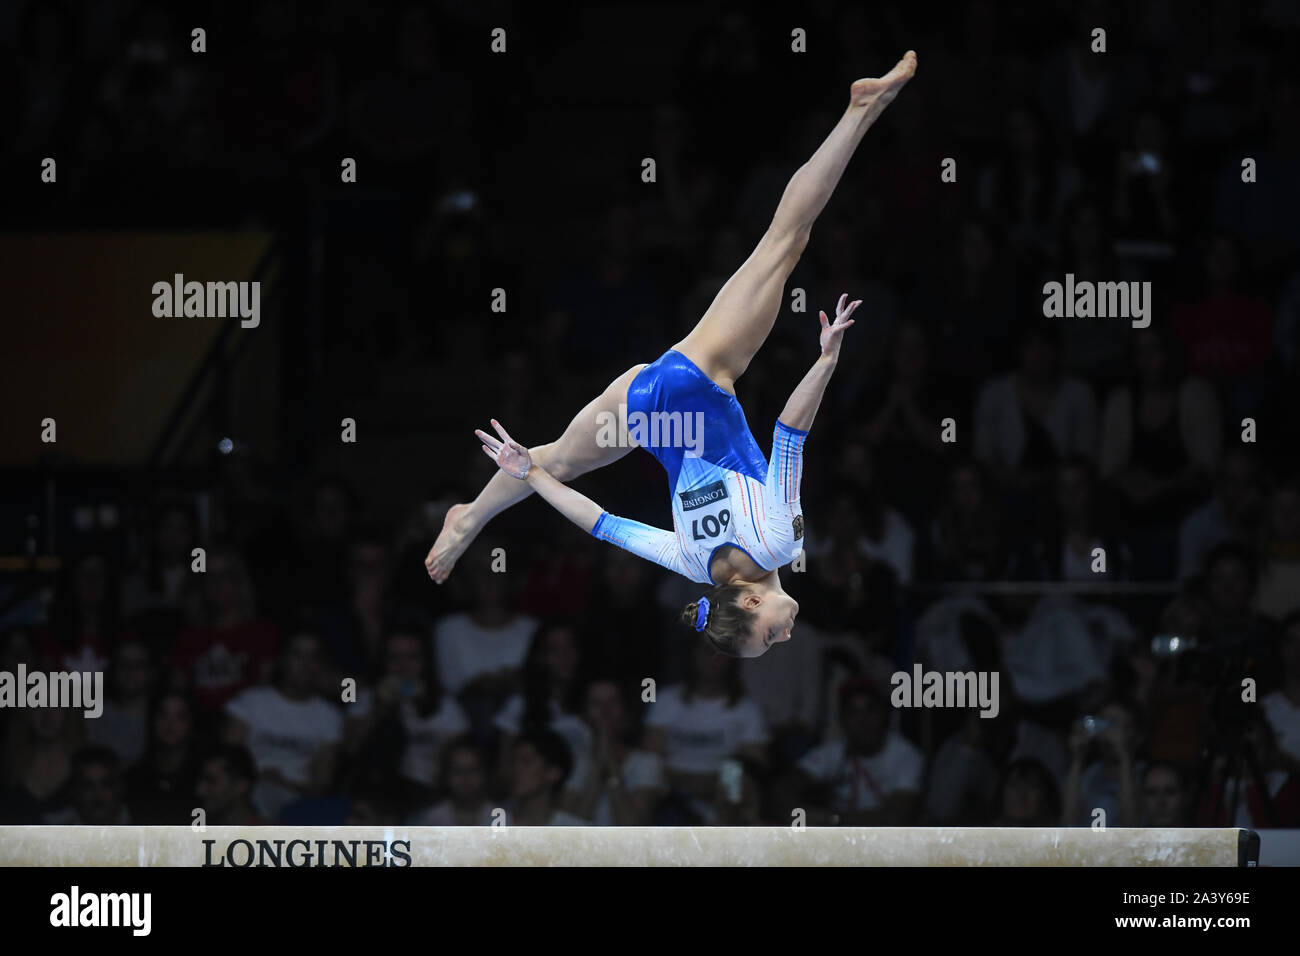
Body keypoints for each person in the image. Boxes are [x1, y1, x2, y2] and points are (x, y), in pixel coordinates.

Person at [427, 53, 921, 661]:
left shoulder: (777, 544)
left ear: (748, 604)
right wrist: (530, 472)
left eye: (770, 635)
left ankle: (860, 110)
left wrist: (825, 359)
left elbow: (790, 433)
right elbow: (601, 523)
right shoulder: (692, 569)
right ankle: (471, 517)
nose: (786, 632)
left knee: (784, 243)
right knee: (558, 456)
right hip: (644, 413)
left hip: (696, 380)